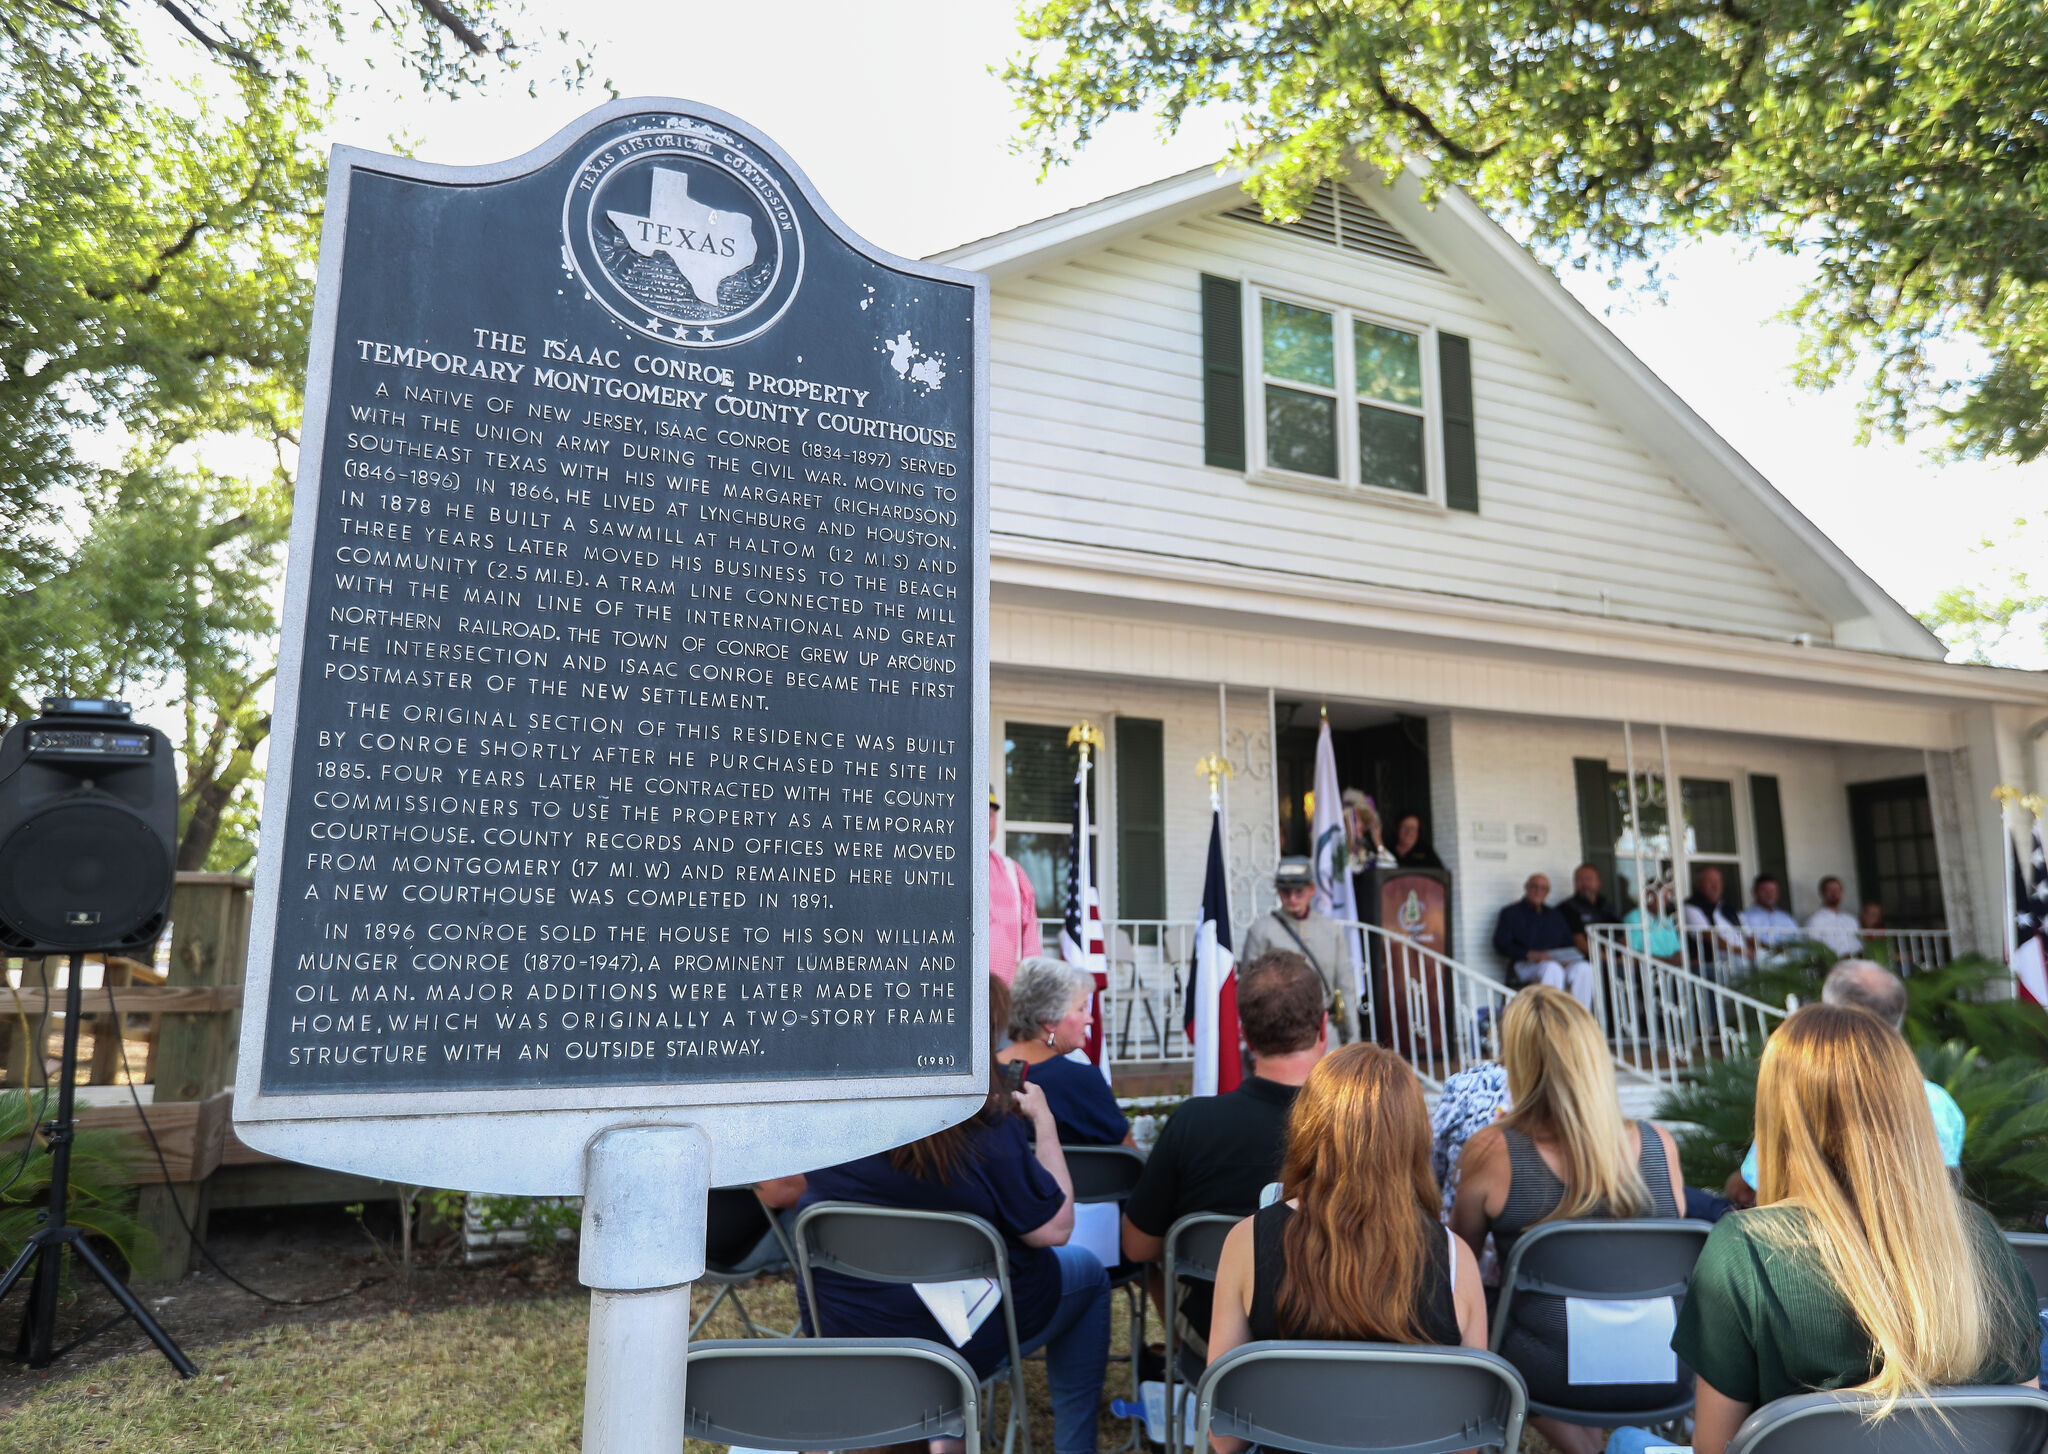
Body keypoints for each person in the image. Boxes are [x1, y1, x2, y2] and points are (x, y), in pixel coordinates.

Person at [1612, 1004, 2040, 1454]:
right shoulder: (1983, 1238)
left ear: (1780, 1119)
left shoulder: (1746, 1250)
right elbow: (2026, 1422)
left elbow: (1714, 1447)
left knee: (1625, 1442)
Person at [797, 1059, 1111, 1454]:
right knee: (1090, 1275)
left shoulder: (828, 1127)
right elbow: (1055, 1229)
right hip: (960, 1335)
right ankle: (1074, 1448)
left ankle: (938, 1425)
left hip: (849, 1325)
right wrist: (1043, 1122)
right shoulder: (985, 1131)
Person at [1206, 1044, 1489, 1453]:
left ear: (1309, 1127)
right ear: (1412, 1137)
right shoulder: (1456, 1258)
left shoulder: (1246, 1241)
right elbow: (1467, 1443)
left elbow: (1224, 1435)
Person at [1451, 986, 1686, 1454]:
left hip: (1547, 1376)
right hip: (1666, 1372)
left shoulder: (1494, 1152)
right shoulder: (1661, 1145)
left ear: (1518, 1062)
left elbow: (1455, 1265)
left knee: (1476, 1303)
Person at [1121, 951, 1327, 1361]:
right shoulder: (1361, 1130)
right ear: (1323, 1027)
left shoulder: (1194, 1123)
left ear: (1244, 1035)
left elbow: (1137, 1247)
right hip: (1334, 1340)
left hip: (1217, 1352)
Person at [1720, 960, 1965, 1209]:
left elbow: (1754, 1187)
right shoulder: (1938, 1102)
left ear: (1835, 1019)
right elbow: (1948, 1186)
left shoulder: (1808, 1092)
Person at [999, 955, 1130, 1146]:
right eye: (1081, 1008)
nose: (1089, 1019)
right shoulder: (1082, 1081)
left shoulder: (982, 1073)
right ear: (1050, 1019)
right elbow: (1130, 1162)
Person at [1239, 858, 1358, 1044]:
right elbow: (1249, 990)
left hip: (1324, 1032)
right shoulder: (1261, 931)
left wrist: (1352, 1038)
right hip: (1277, 1034)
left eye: (1299, 892)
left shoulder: (1331, 930)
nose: (1292, 898)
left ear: (1312, 889)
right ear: (1278, 891)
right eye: (1286, 893)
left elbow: (1345, 985)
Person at [1491, 873, 1598, 1010]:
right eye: (1534, 886)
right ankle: (1551, 1018)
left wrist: (1567, 959)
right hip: (1525, 963)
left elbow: (1567, 943)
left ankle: (1580, 1016)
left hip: (1557, 962)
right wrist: (1530, 954)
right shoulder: (1511, 913)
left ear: (1547, 892)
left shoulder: (1554, 915)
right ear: (1526, 887)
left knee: (1584, 968)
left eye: (1543, 888)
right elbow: (1500, 943)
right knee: (1552, 969)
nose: (1538, 891)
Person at [988, 789, 1039, 986]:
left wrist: (1029, 980)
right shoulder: (943, 868)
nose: (987, 822)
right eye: (978, 812)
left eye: (991, 815)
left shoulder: (1012, 870)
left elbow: (1030, 932)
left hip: (1007, 994)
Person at [1556, 863, 1622, 958]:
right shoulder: (1567, 907)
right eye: (1579, 879)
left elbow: (1622, 935)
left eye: (1589, 879)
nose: (1584, 883)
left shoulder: (1607, 906)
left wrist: (1626, 957)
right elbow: (1579, 943)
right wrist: (1610, 959)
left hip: (1616, 958)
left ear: (1599, 882)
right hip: (1588, 960)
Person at [1621, 878, 1681, 962]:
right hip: (1646, 970)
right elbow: (1634, 953)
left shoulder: (1667, 921)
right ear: (1648, 895)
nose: (1666, 902)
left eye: (1668, 897)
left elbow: (1677, 950)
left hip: (1671, 969)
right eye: (1663, 897)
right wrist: (1668, 962)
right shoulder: (1634, 918)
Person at [1802, 875, 1862, 956]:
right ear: (1822, 894)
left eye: (1837, 890)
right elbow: (1813, 948)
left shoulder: (1851, 919)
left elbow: (1858, 943)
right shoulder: (1815, 921)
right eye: (1830, 890)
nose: (1834, 893)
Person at [1736, 873, 1799, 950]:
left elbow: (1798, 940)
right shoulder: (1744, 917)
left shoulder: (1786, 917)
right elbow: (1746, 940)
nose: (1770, 894)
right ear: (1755, 892)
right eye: (1764, 890)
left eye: (1773, 890)